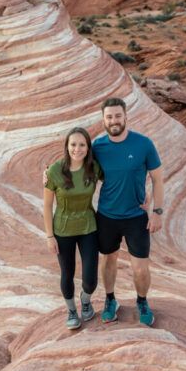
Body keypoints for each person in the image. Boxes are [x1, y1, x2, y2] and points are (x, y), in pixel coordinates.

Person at [93, 97, 164, 327]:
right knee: (107, 260)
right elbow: (75, 169)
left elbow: (157, 179)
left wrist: (157, 212)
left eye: (117, 116)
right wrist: (50, 176)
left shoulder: (143, 144)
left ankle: (142, 301)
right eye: (109, 117)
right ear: (103, 120)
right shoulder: (97, 147)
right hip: (107, 216)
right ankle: (110, 300)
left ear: (125, 116)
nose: (114, 120)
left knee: (140, 267)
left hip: (136, 217)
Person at [43, 127, 103, 329]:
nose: (77, 149)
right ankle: (71, 309)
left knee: (91, 278)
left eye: (82, 145)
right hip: (63, 229)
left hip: (88, 226)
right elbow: (46, 205)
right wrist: (49, 236)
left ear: (88, 147)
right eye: (73, 144)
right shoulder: (54, 171)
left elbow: (117, 177)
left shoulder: (93, 167)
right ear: (67, 147)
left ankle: (85, 301)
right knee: (67, 273)